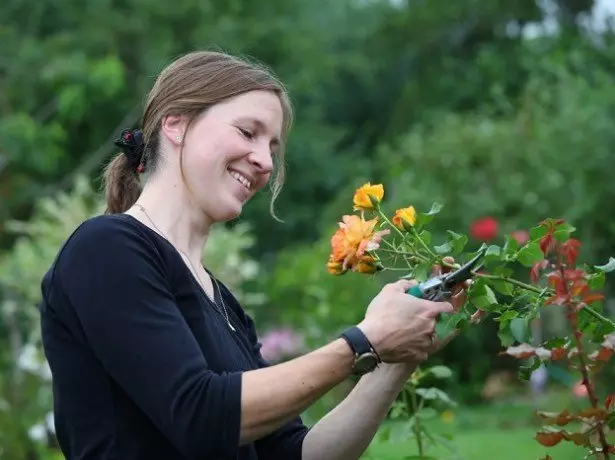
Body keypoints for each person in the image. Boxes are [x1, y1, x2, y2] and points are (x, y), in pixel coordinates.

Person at [38, 51, 462, 460]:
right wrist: (364, 340)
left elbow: (297, 454)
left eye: (273, 149)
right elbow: (199, 416)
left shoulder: (222, 301)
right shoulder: (107, 249)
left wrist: (396, 357)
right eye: (247, 132)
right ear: (176, 124)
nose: (263, 161)